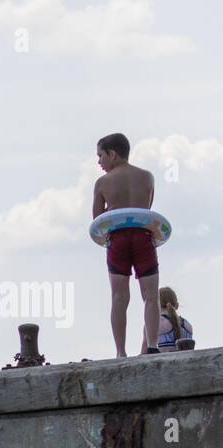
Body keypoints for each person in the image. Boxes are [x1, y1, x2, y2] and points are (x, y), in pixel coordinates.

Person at [92, 133, 161, 357]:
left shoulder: (102, 183)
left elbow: (97, 222)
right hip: (143, 237)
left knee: (119, 297)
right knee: (151, 295)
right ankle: (152, 346)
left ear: (112, 153)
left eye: (101, 156)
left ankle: (120, 353)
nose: (99, 162)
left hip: (118, 240)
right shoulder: (147, 177)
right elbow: (145, 210)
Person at [154, 286, 193, 351]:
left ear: (157, 305)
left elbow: (144, 351)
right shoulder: (188, 325)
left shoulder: (155, 323)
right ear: (177, 305)